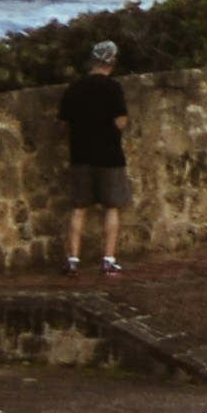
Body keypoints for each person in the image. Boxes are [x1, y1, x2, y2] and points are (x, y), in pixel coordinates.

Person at [59, 43, 131, 270]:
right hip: (109, 156)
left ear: (92, 61)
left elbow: (62, 122)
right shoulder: (113, 88)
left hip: (80, 154)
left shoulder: (75, 88)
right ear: (111, 63)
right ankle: (108, 259)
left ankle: (73, 259)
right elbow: (120, 121)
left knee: (78, 208)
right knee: (111, 207)